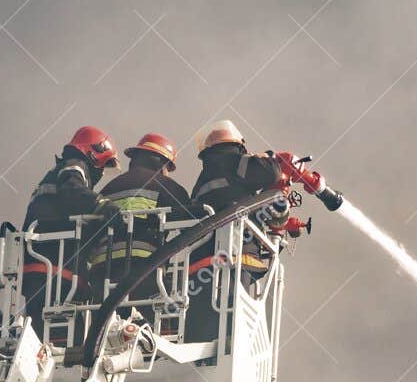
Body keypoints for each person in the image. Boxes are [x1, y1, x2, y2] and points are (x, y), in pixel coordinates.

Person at [185, 121, 287, 345]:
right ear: (237, 143)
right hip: (239, 254)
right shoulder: (236, 162)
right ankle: (230, 343)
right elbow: (270, 172)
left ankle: (201, 359)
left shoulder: (202, 179)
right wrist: (268, 157)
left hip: (203, 259)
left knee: (205, 319)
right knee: (231, 316)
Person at [20, 126, 118, 340]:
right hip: (56, 270)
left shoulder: (54, 174)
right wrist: (102, 205)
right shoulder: (74, 167)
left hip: (40, 268)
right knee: (69, 335)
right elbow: (72, 193)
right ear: (94, 153)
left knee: (42, 336)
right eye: (102, 164)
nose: (102, 171)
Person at [98, 134, 194, 333]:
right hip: (142, 270)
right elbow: (192, 225)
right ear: (162, 162)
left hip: (102, 273)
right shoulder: (168, 187)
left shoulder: (108, 188)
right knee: (150, 325)